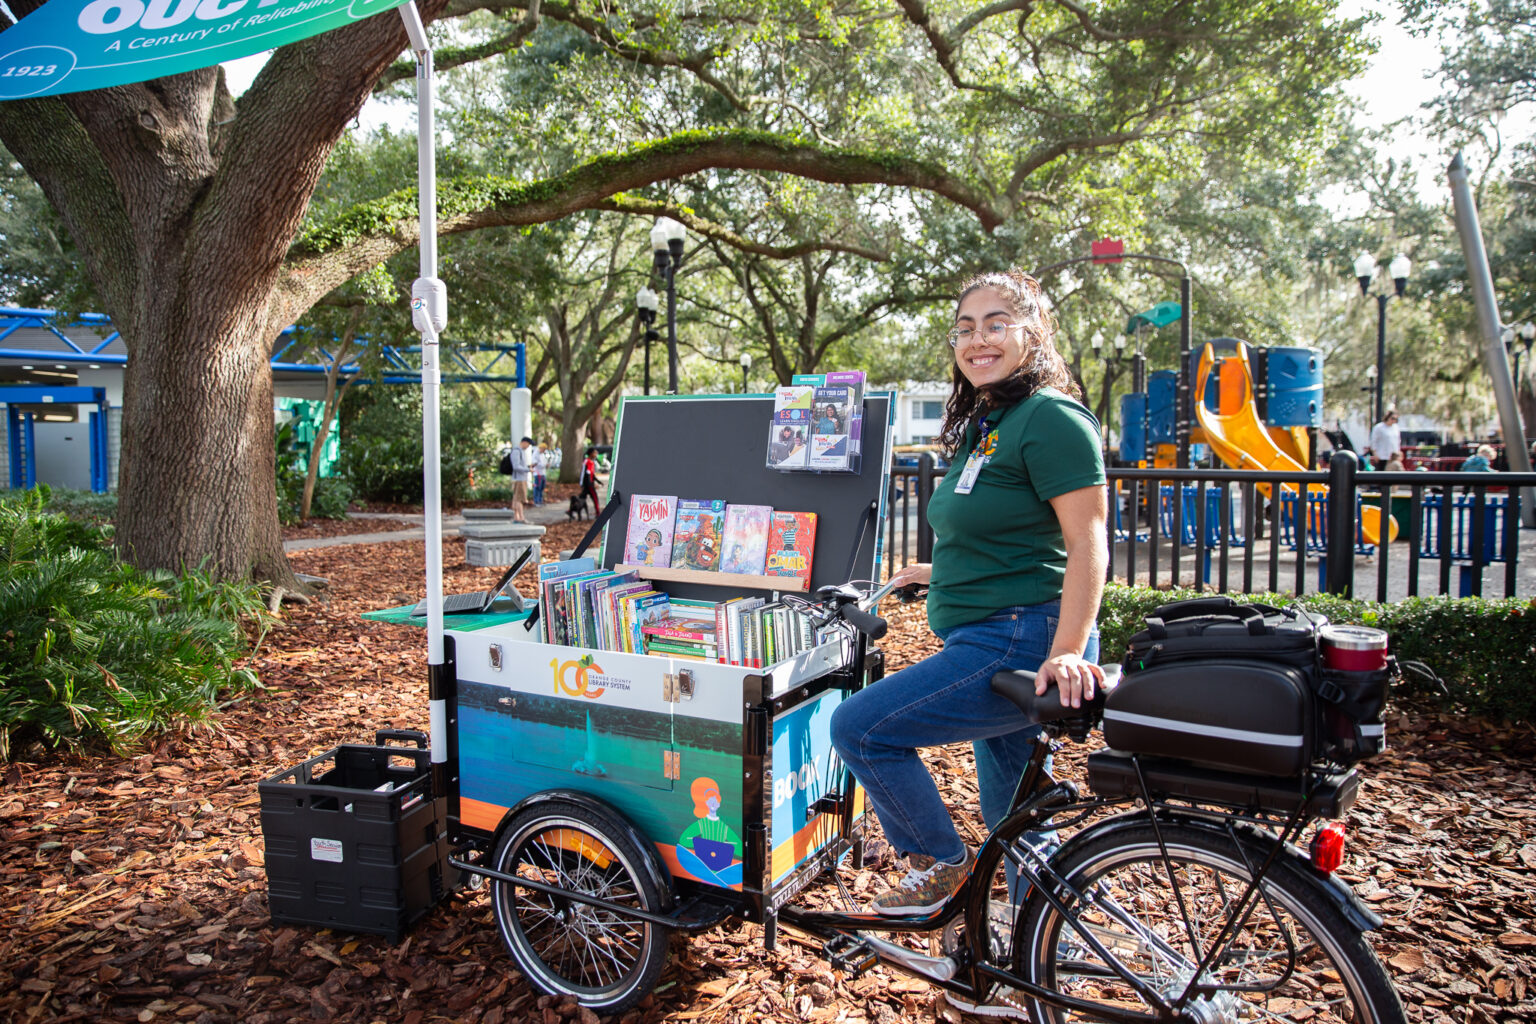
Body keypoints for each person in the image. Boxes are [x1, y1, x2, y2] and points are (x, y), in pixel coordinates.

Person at [830, 268, 1107, 919]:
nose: (977, 340)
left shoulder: (1052, 419)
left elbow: (1089, 540)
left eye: (995, 324)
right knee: (1014, 815)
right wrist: (938, 573)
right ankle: (1042, 965)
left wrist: (1067, 649)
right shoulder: (998, 419)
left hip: (1022, 639)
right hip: (997, 627)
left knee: (861, 729)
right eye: (965, 328)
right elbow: (1013, 531)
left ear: (1033, 333)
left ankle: (939, 866)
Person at [509, 436, 532, 522]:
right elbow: (516, 466)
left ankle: (517, 517)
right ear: (524, 442)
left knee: (516, 498)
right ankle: (521, 517)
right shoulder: (516, 451)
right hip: (519, 479)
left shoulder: (520, 451)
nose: (528, 446)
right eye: (528, 444)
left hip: (520, 478)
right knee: (519, 498)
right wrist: (527, 469)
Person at [580, 446, 604, 515]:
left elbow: (592, 475)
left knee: (581, 498)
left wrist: (599, 482)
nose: (596, 454)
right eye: (595, 453)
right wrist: (590, 484)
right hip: (588, 484)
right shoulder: (588, 462)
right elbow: (586, 475)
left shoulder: (591, 462)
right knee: (595, 498)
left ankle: (571, 511)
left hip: (588, 484)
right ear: (591, 453)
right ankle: (598, 513)